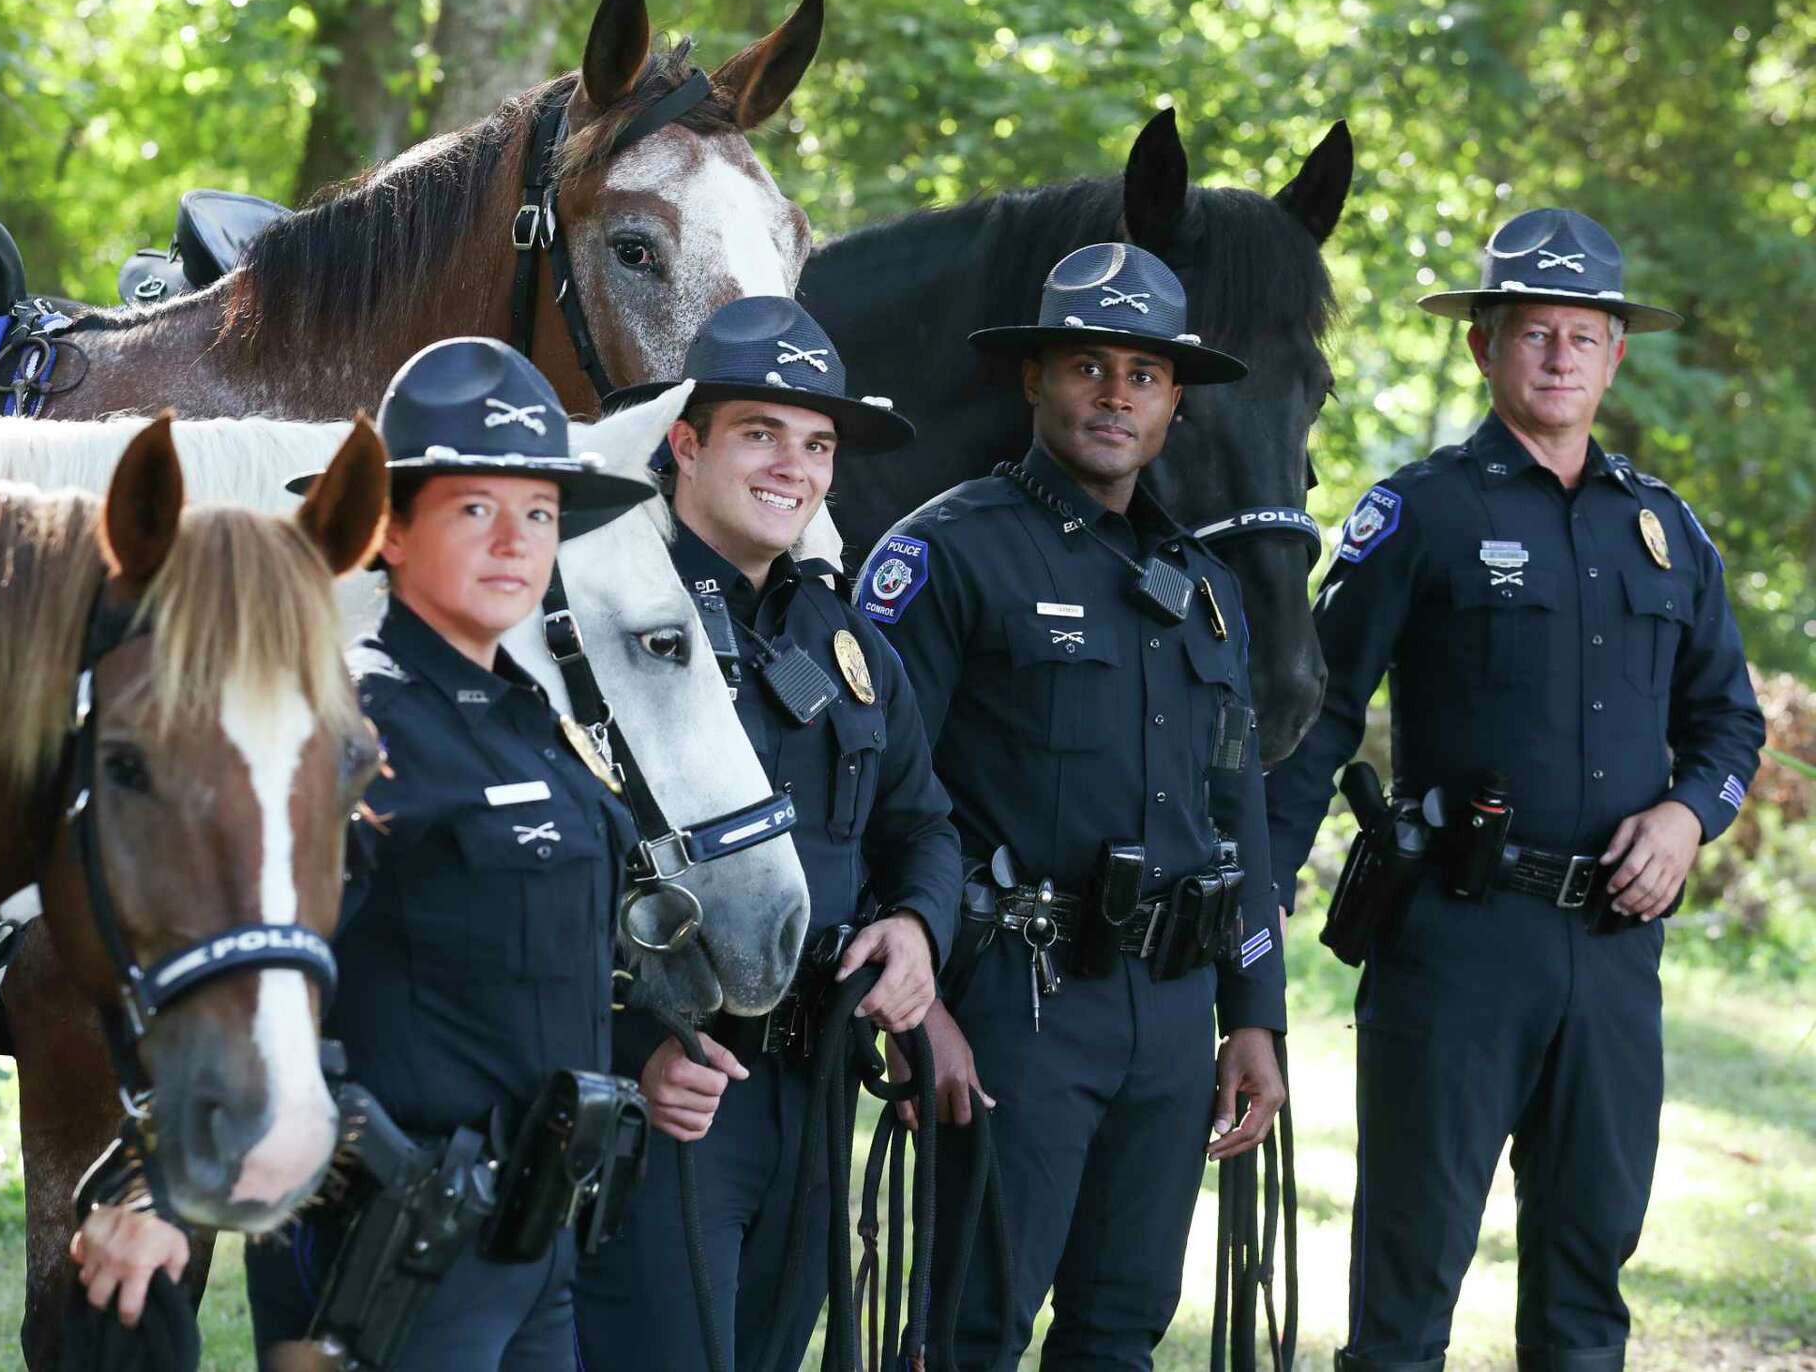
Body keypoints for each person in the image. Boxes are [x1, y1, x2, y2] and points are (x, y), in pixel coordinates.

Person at [70, 335, 657, 1371]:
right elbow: (237, 942)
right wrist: (152, 1185)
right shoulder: (344, 726)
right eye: (476, 508)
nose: (515, 541)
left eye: (540, 512)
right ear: (387, 531)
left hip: (536, 1230)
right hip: (391, 1240)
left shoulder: (530, 713)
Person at [1264, 209, 1767, 1372]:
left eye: (1581, 334)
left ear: (1615, 354)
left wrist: (1693, 811)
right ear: (1484, 347)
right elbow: (1321, 713)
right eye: (1530, 331)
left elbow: (1728, 717)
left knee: (1588, 1293)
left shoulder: (1666, 530)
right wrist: (1257, 918)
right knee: (1406, 1293)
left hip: (1612, 953)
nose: (1558, 355)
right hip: (1457, 940)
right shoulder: (1422, 513)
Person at [859, 243, 1288, 1369]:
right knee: (970, 1326)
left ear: (1175, 401)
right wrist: (918, 1015)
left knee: (1119, 1331)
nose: (1115, 393)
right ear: (1032, 380)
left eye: (1143, 373)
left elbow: (1236, 810)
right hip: (1013, 1000)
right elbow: (878, 798)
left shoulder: (1205, 586)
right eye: (1086, 364)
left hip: (1172, 1008)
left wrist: (1255, 1010)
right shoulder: (945, 554)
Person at [573, 296, 962, 1371]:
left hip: (815, 1083)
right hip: (675, 1094)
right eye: (762, 433)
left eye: (819, 443)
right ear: (685, 442)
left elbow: (922, 824)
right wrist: (626, 1052)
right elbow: (556, 880)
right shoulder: (607, 631)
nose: (794, 466)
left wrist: (919, 931)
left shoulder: (849, 644)